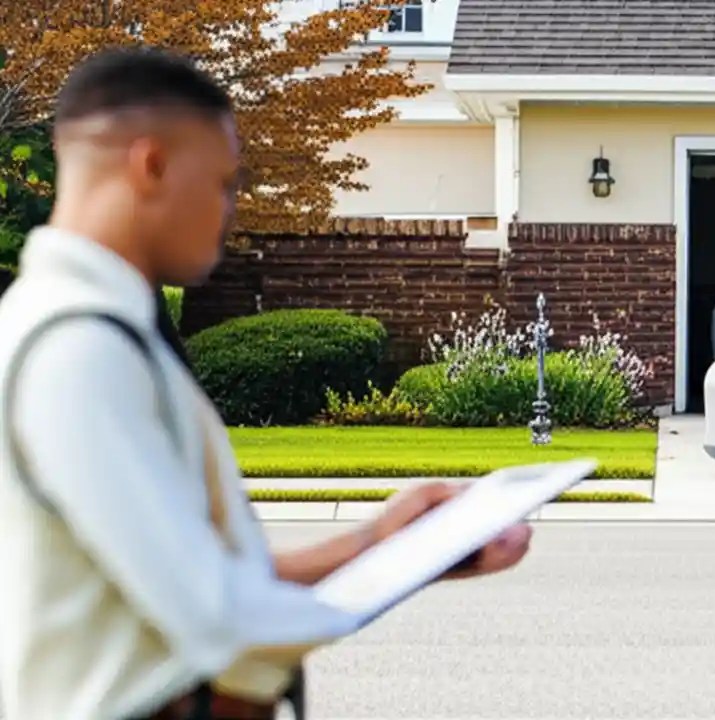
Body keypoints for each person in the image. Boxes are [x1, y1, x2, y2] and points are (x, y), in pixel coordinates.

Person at [0, 46, 533, 720]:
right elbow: (214, 613)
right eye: (223, 183)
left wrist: (386, 542)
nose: (231, 209)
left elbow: (206, 579)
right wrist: (398, 566)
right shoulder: (76, 350)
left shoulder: (104, 332)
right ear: (151, 165)